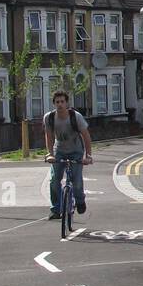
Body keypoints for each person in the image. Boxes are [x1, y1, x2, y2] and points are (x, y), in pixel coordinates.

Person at [44, 91, 92, 219]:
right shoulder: (49, 117)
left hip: (76, 151)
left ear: (67, 103)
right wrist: (50, 154)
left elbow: (86, 136)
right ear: (54, 104)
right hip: (59, 151)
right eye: (57, 102)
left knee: (76, 182)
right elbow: (49, 136)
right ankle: (56, 209)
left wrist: (88, 156)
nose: (60, 104)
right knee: (54, 180)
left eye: (62, 102)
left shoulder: (76, 117)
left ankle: (80, 200)